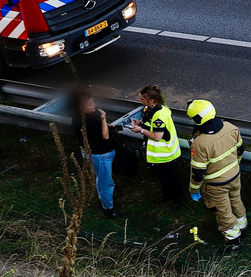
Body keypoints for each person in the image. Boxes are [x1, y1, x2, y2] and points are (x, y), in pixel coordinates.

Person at [186, 99, 247, 251]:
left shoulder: (200, 143)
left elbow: (198, 173)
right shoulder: (231, 128)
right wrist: (234, 166)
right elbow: (240, 149)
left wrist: (194, 190)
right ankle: (242, 227)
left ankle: (233, 242)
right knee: (236, 201)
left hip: (215, 186)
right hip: (235, 177)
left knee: (223, 212)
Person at [128, 84, 182, 209]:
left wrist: (140, 130)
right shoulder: (151, 109)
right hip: (158, 154)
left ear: (151, 100)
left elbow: (157, 136)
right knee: (162, 176)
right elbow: (149, 122)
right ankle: (168, 195)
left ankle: (177, 198)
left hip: (165, 153)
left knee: (170, 177)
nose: (139, 101)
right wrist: (139, 123)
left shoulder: (160, 115)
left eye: (142, 99)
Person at [71, 89, 122, 219]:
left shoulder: (80, 116)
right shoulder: (85, 121)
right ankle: (108, 209)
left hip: (93, 153)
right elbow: (104, 136)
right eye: (90, 104)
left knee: (101, 177)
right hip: (101, 155)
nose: (94, 106)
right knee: (106, 183)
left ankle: (103, 199)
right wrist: (104, 119)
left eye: (93, 102)